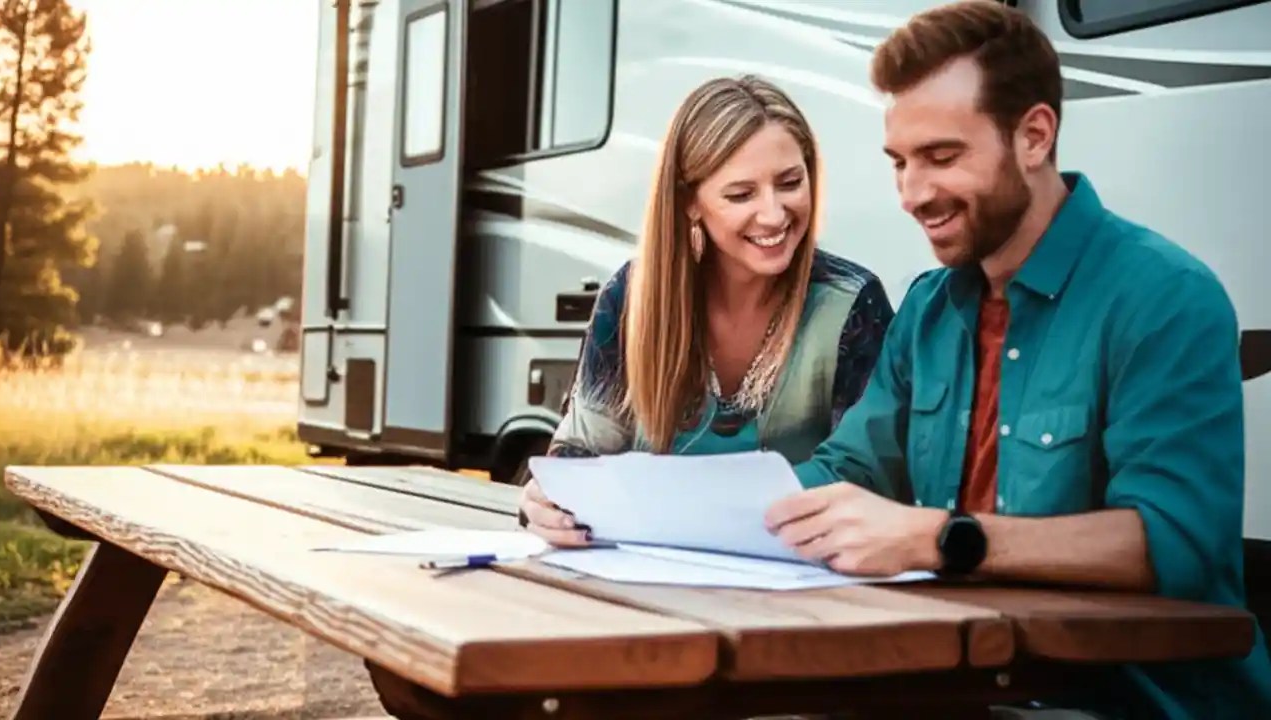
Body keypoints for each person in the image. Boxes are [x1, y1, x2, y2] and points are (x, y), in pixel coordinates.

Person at [761, 2, 1271, 718]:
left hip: (1128, 703)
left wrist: (943, 540)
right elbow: (847, 471)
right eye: (900, 163)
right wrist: (642, 507)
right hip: (958, 688)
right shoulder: (929, 309)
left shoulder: (1166, 298)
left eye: (941, 157)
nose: (912, 194)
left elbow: (1174, 543)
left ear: (1034, 136)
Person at [518, 75, 895, 547]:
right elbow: (581, 452)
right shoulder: (631, 296)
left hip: (800, 589)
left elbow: (863, 476)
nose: (775, 214)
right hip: (646, 584)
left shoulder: (851, 303)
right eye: (741, 194)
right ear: (690, 202)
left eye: (790, 183)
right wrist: (546, 501)